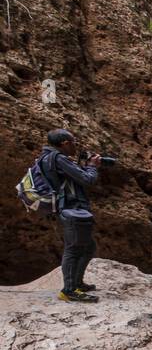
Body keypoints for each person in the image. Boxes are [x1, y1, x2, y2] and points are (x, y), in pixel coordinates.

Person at [41, 129, 101, 303]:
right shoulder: (59, 159)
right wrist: (91, 167)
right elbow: (87, 180)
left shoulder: (47, 157)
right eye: (74, 142)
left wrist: (82, 167)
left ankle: (77, 283)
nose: (76, 146)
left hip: (67, 209)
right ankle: (69, 290)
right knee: (73, 249)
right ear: (65, 143)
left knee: (88, 247)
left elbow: (70, 179)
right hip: (71, 209)